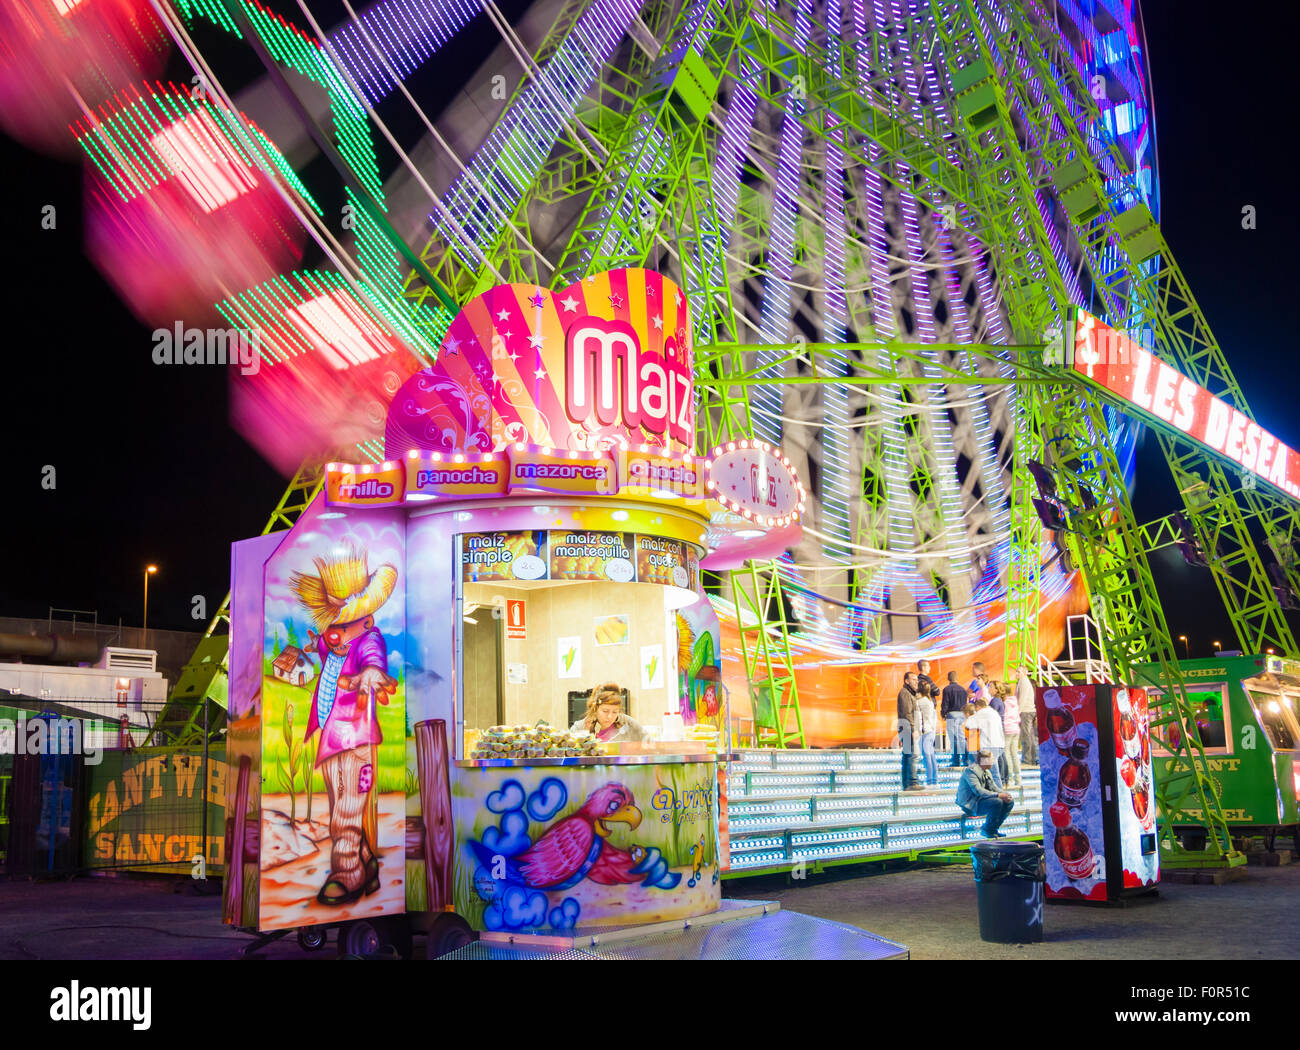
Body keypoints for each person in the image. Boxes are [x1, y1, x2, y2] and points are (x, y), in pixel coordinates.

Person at [956, 750, 1015, 838]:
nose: (993, 761)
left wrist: (1005, 794)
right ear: (985, 761)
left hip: (980, 801)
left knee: (1009, 802)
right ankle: (987, 830)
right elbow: (978, 791)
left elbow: (994, 787)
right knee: (997, 802)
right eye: (991, 759)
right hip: (970, 804)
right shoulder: (970, 771)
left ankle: (992, 829)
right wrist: (998, 795)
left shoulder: (987, 772)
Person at [571, 683, 646, 742]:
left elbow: (649, 743)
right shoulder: (580, 728)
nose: (610, 716)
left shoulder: (629, 724)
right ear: (595, 708)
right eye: (605, 711)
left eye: (615, 712)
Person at [963, 696, 1006, 788]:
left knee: (991, 772)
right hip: (999, 744)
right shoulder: (995, 713)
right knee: (993, 772)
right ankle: (998, 793)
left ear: (978, 707)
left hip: (988, 746)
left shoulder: (981, 714)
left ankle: (1000, 795)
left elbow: (969, 724)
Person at [896, 672, 923, 791]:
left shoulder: (910, 694)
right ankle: (911, 782)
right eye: (913, 679)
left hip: (907, 727)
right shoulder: (905, 693)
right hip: (907, 728)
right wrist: (913, 729)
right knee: (910, 755)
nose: (916, 681)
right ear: (906, 681)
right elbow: (907, 713)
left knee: (908, 755)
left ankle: (908, 783)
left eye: (917, 679)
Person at [940, 671, 969, 768]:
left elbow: (945, 703)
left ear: (948, 678)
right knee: (961, 738)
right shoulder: (963, 690)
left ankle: (955, 761)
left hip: (951, 715)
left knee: (954, 739)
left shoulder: (947, 689)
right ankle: (966, 759)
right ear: (957, 678)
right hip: (962, 715)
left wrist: (943, 714)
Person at [915, 677, 938, 787]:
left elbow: (918, 717)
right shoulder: (929, 700)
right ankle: (934, 780)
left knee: (927, 756)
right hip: (931, 730)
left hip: (925, 731)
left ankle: (930, 780)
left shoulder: (920, 701)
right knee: (931, 755)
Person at [1016, 665, 1037, 766]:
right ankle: (1032, 758)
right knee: (1029, 736)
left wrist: (1018, 712)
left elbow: (1022, 699)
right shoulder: (1022, 682)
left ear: (1024, 673)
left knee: (1026, 736)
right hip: (1027, 711)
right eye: (1017, 671)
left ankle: (1027, 759)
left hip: (1026, 711)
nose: (1017, 673)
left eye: (1019, 672)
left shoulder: (1024, 682)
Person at [1001, 681, 1021, 788]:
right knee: (1014, 754)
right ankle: (1018, 777)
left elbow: (1004, 716)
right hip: (1016, 729)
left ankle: (1010, 777)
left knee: (1007, 754)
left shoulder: (1004, 703)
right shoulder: (1015, 702)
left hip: (1007, 729)